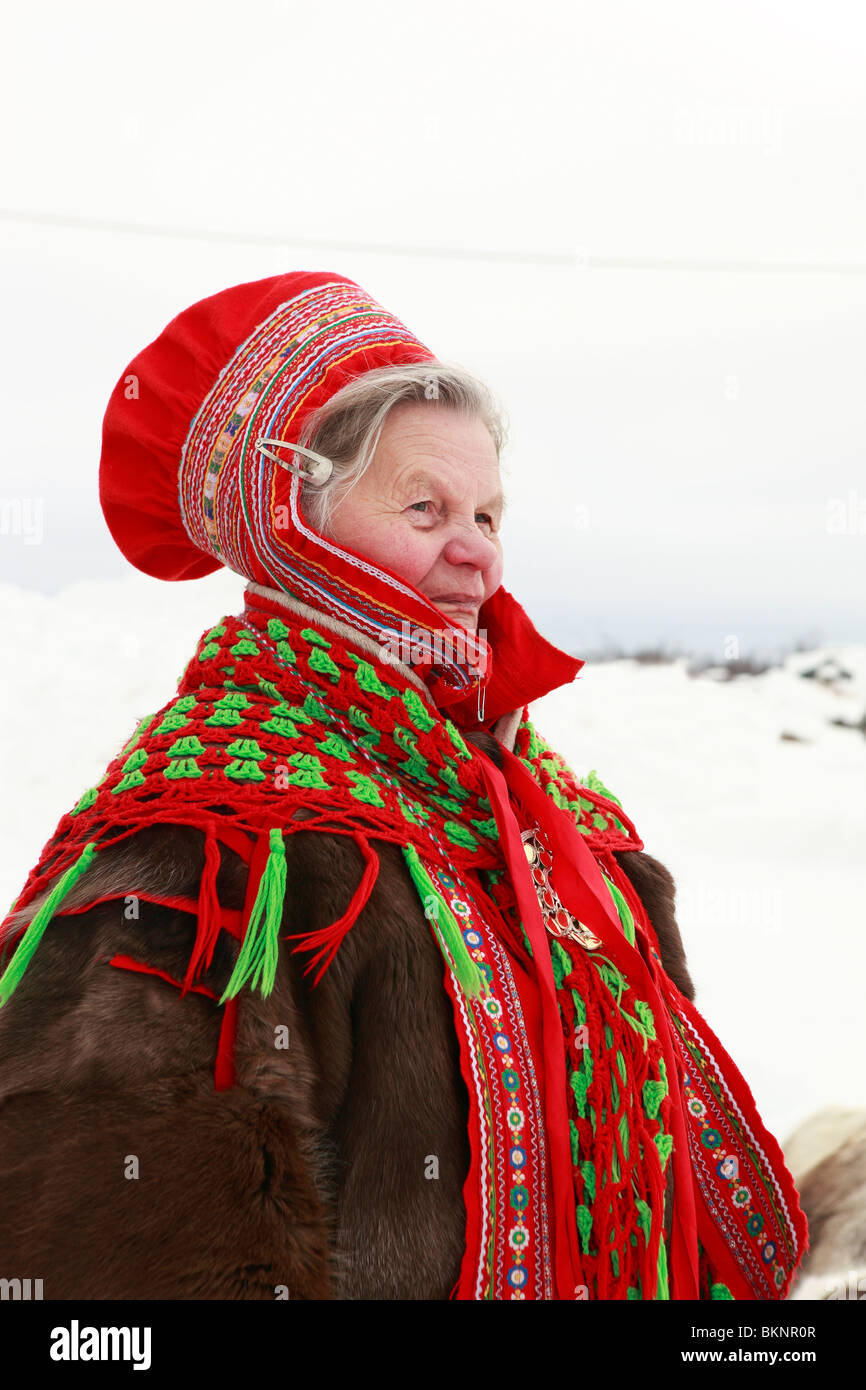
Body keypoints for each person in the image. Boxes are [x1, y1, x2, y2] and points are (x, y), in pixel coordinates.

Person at [0, 270, 807, 1300]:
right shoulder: (208, 844)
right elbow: (112, 1265)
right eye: (424, 508)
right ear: (291, 529)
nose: (475, 554)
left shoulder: (550, 821)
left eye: (487, 512)